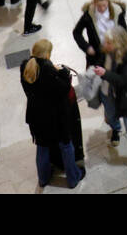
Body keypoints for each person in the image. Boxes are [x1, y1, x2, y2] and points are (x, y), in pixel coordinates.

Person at [21, 40, 83, 189]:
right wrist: (63, 73)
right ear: (48, 54)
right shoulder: (50, 72)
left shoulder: (26, 68)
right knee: (66, 146)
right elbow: (63, 89)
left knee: (42, 147)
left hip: (36, 117)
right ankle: (73, 178)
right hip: (56, 119)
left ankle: (43, 179)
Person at [96, 27, 127, 175]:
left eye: (109, 43)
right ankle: (116, 128)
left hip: (126, 98)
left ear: (117, 43)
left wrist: (105, 73)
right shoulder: (106, 50)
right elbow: (97, 61)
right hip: (108, 93)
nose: (105, 45)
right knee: (110, 117)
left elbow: (124, 80)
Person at [73, 0, 126, 68]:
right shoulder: (88, 15)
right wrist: (87, 47)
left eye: (104, 5)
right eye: (98, 6)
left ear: (108, 2)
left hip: (115, 53)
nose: (101, 9)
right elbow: (76, 32)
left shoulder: (117, 12)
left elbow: (123, 31)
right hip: (97, 56)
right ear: (94, 3)